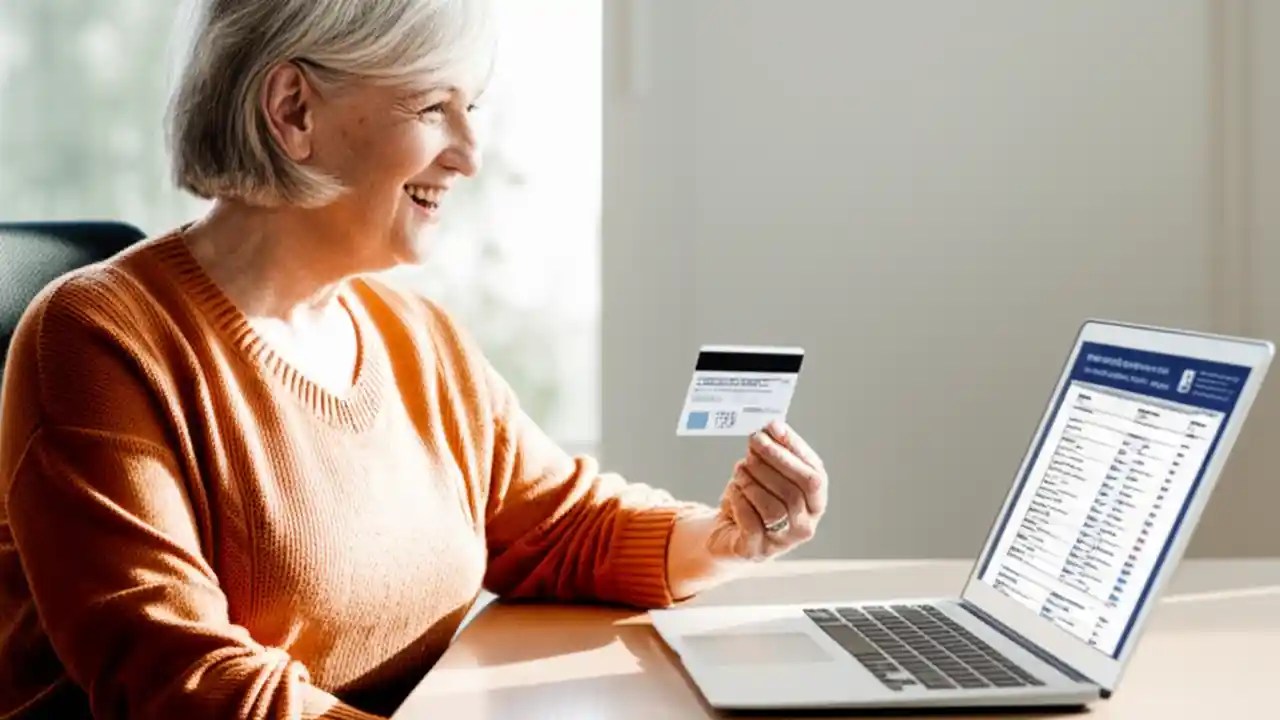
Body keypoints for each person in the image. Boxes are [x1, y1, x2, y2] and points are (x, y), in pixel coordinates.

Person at [0, 1, 829, 718]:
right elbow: (186, 687)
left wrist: (723, 539)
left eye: (473, 107)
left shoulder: (413, 335)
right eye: (434, 106)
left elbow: (562, 526)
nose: (469, 153)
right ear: (293, 111)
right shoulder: (99, 339)